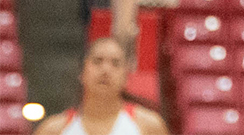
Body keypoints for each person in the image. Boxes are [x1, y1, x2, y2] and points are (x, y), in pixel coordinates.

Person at [34, 37, 166, 135]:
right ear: (82, 72)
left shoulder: (149, 126)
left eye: (115, 63)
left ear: (126, 77)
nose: (105, 70)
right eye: (97, 61)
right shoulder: (53, 130)